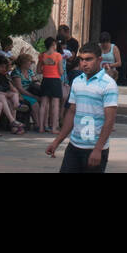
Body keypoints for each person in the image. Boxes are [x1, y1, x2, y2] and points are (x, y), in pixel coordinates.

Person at [46, 42, 119, 173]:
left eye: (89, 59)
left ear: (99, 60)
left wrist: (98, 149)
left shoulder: (109, 85)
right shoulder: (77, 81)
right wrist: (57, 141)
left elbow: (109, 120)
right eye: (81, 59)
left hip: (95, 148)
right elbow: (71, 113)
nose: (84, 63)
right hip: (74, 146)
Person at [0, 54, 27, 132]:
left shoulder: (5, 76)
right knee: (11, 102)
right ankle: (13, 126)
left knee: (13, 99)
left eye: (5, 67)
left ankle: (16, 106)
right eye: (1, 67)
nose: (4, 69)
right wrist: (8, 94)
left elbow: (12, 88)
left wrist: (18, 95)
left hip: (4, 96)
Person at [38, 38, 64, 133]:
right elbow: (61, 72)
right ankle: (54, 128)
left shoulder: (41, 55)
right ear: (53, 44)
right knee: (55, 105)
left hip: (45, 80)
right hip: (55, 80)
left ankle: (41, 127)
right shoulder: (58, 55)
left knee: (43, 104)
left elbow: (38, 70)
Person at [10, 53, 41, 129]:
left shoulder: (29, 71)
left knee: (44, 100)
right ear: (23, 63)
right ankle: (37, 124)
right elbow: (20, 88)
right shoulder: (16, 72)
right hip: (21, 93)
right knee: (34, 102)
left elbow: (35, 81)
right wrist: (33, 96)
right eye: (29, 61)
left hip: (30, 91)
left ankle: (42, 123)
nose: (31, 63)